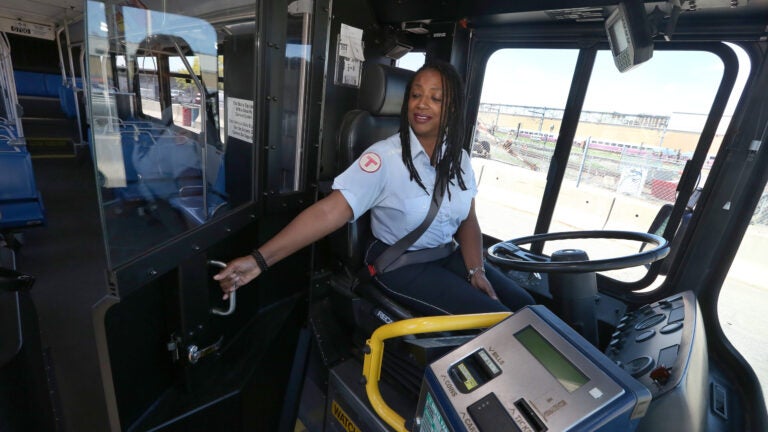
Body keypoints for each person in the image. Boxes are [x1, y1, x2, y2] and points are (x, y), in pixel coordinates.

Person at [214, 59, 534, 315]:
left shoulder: (459, 158)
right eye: (416, 94)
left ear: (451, 108)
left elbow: (468, 219)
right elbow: (329, 212)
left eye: (436, 98)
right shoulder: (384, 158)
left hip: (447, 254)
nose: (422, 104)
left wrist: (476, 268)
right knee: (500, 323)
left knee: (530, 309)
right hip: (401, 263)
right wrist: (259, 260)